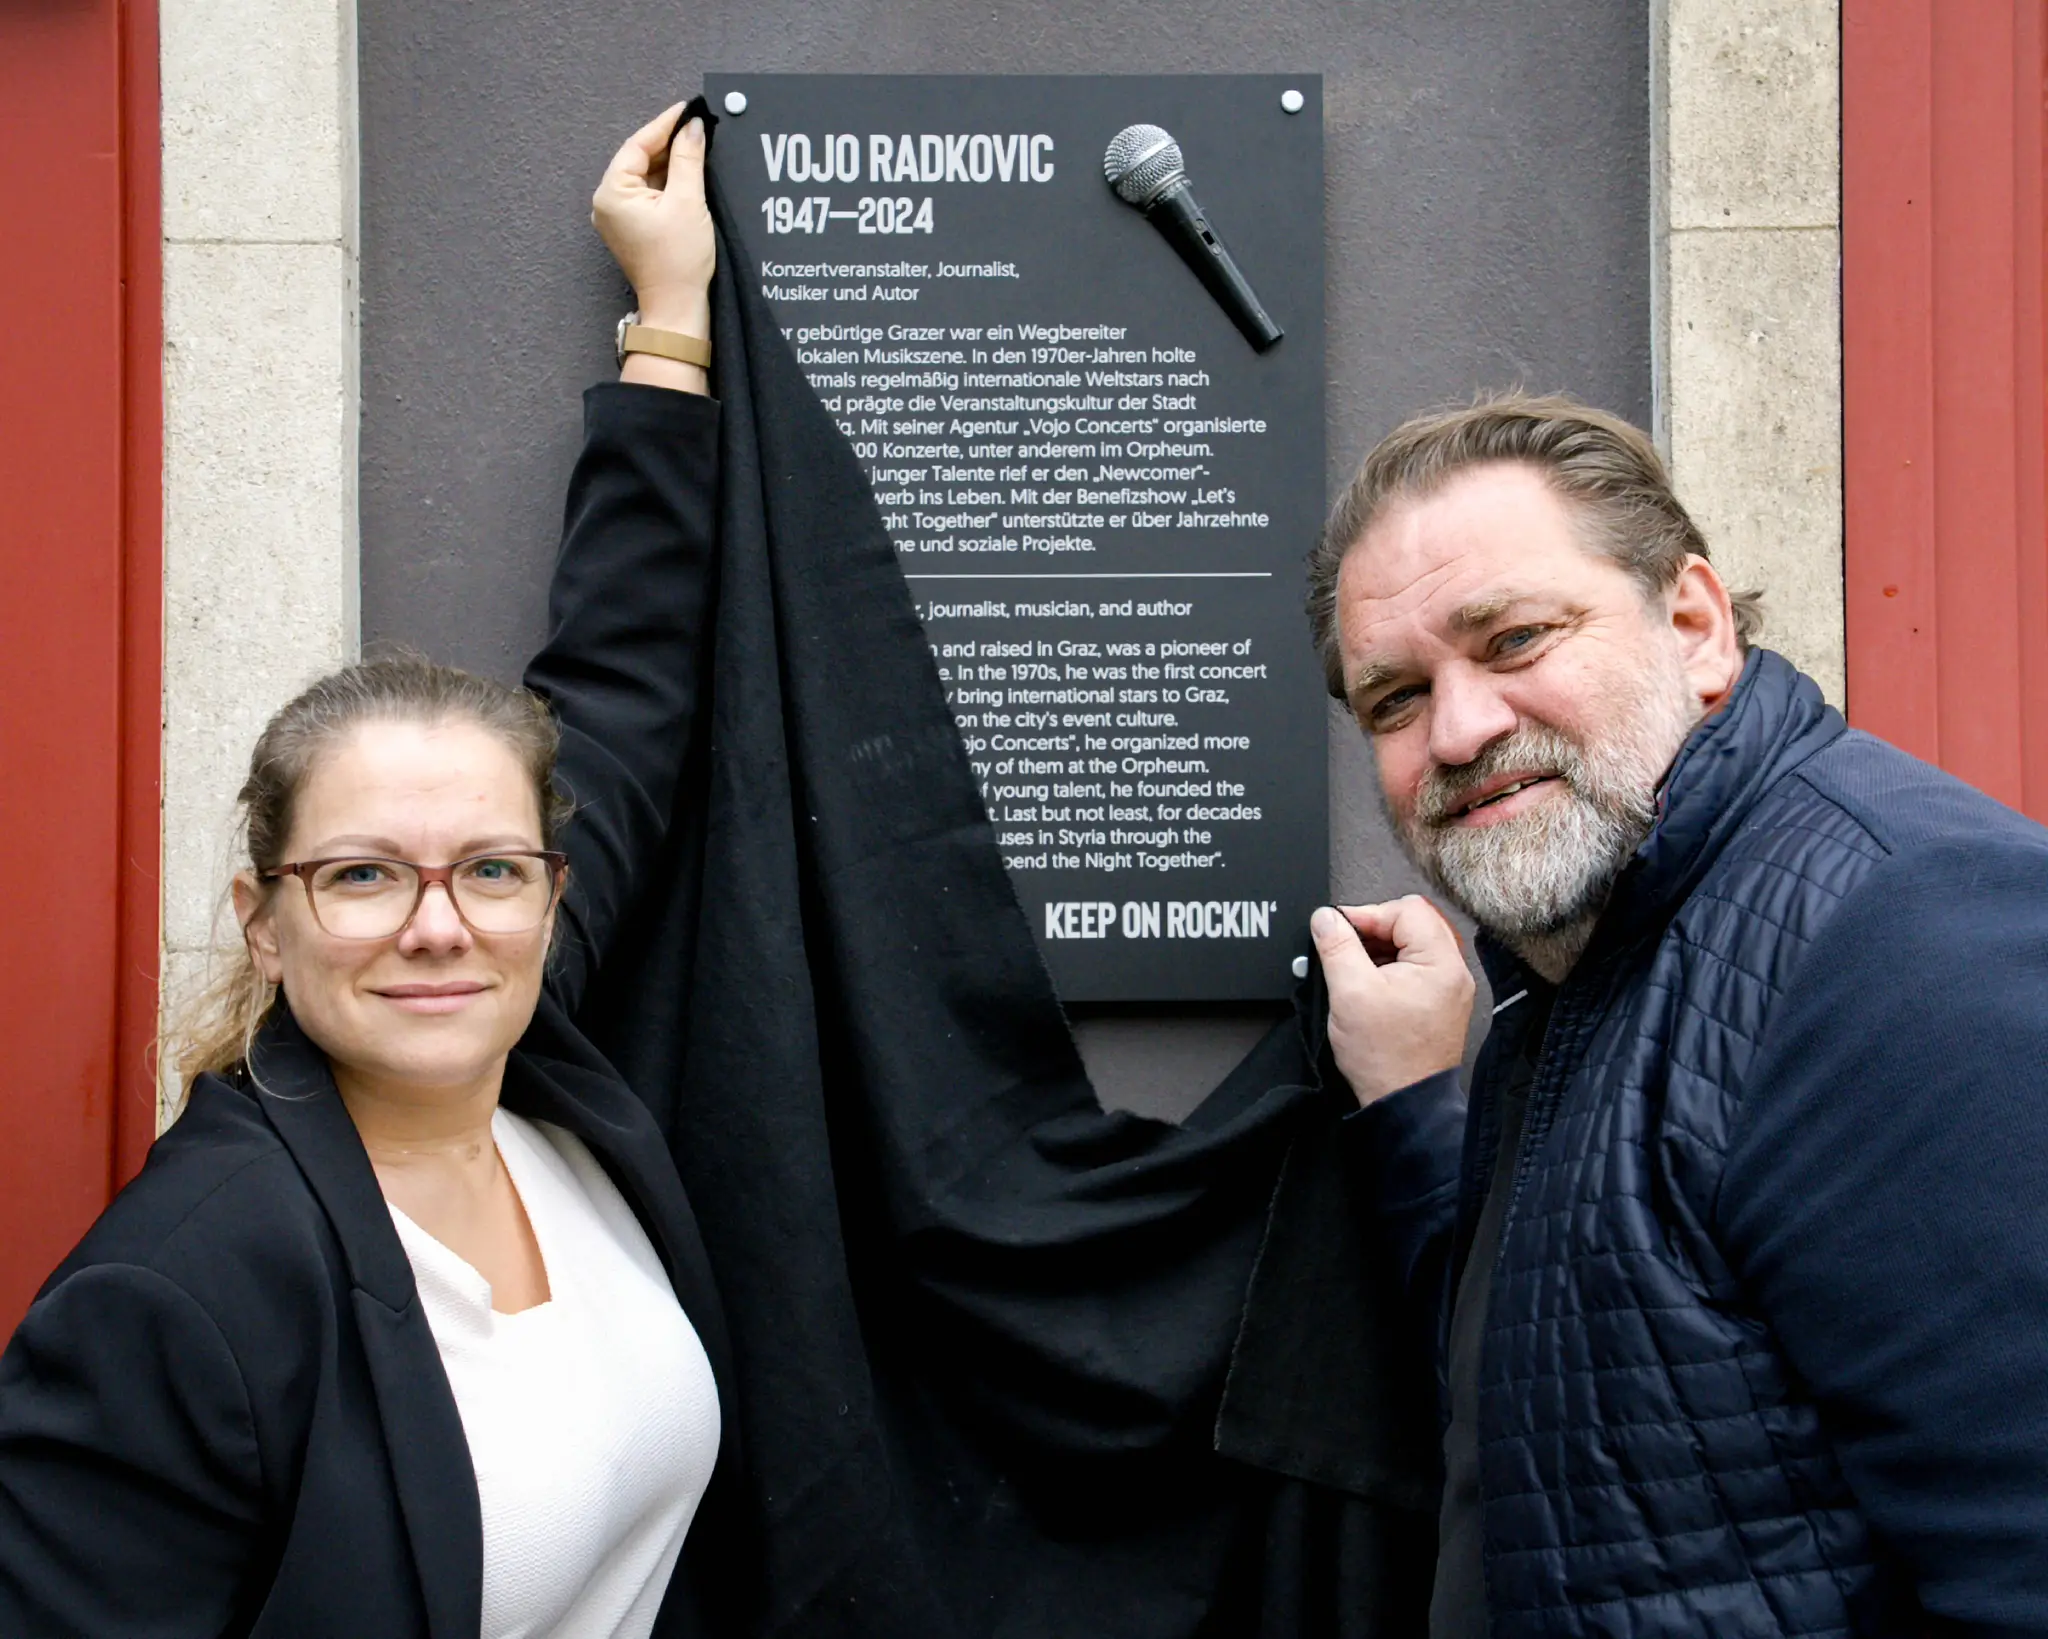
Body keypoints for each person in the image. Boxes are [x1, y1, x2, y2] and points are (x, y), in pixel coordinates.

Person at [0, 105, 748, 1637]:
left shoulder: (527, 1050)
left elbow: (619, 689)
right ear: (262, 920)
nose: (434, 924)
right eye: (358, 877)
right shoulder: (177, 1293)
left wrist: (668, 325)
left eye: (488, 865)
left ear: (549, 885)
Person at [1304, 393, 2048, 1636]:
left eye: (1514, 639)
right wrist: (1418, 1109)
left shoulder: (1904, 937)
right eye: (1393, 700)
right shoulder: (1586, 976)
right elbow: (1592, 1409)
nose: (1458, 728)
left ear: (1693, 624)